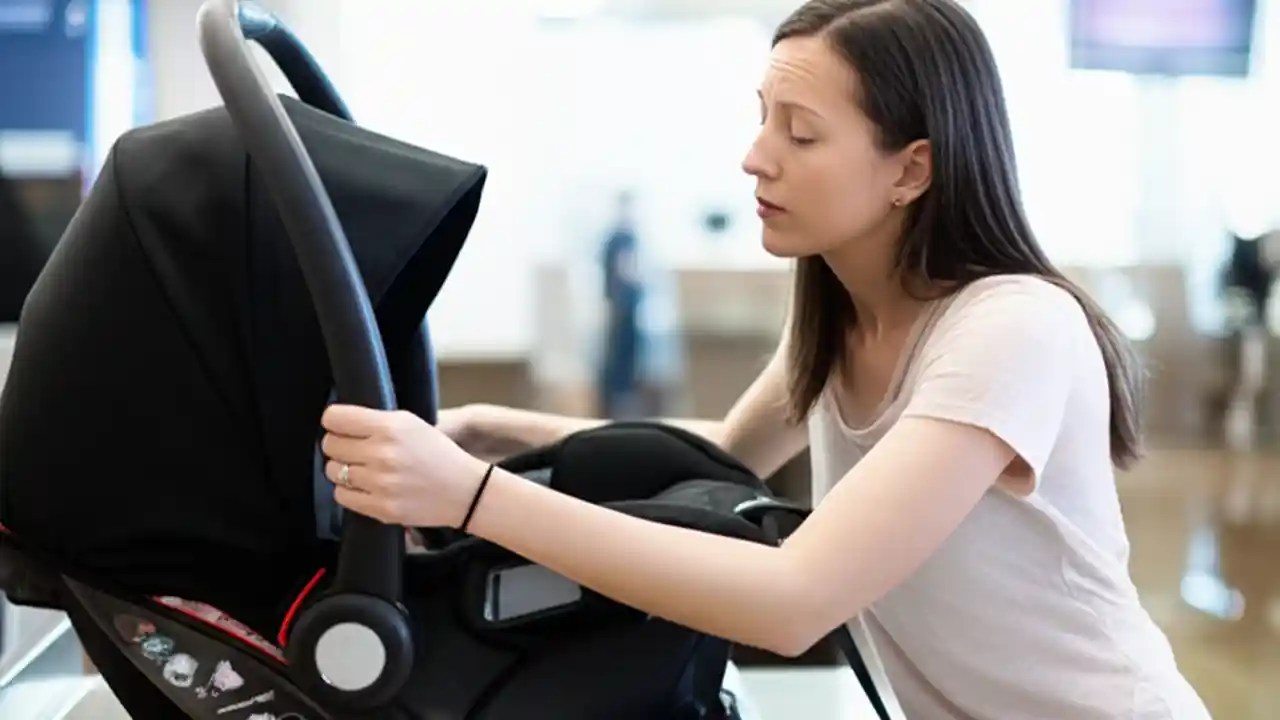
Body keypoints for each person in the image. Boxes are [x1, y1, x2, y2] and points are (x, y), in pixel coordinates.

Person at [318, 1, 1211, 717]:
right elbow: (723, 453)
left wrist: (471, 496)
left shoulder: (1011, 329)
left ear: (911, 170)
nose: (755, 159)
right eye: (761, 124)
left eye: (802, 134)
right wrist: (489, 432)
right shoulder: (844, 313)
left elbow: (793, 600)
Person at [598, 190, 645, 418]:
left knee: (621, 358)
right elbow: (625, 270)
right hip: (622, 308)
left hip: (620, 306)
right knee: (621, 358)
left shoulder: (616, 238)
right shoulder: (622, 239)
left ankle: (618, 402)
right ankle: (619, 405)